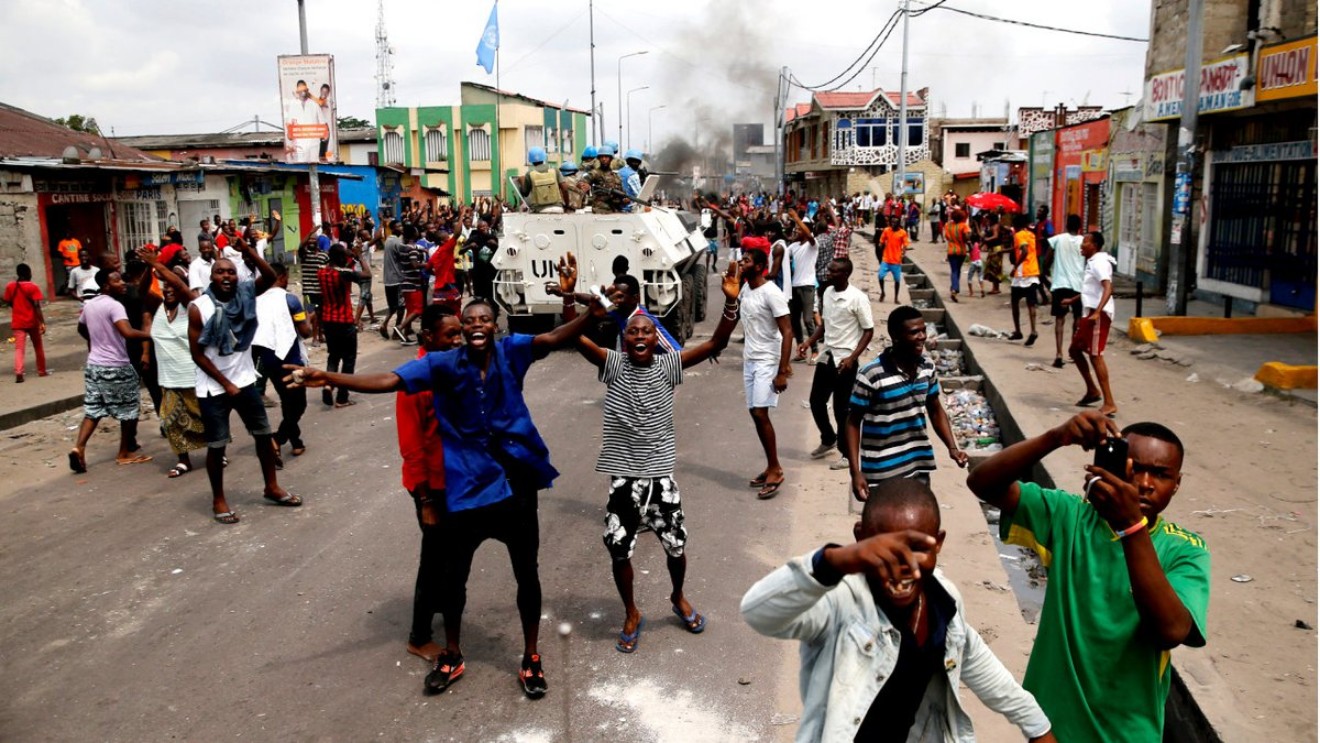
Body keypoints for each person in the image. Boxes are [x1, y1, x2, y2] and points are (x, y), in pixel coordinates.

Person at [284, 262, 607, 699]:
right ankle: (452, 653)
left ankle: (531, 657)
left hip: (515, 485)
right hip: (467, 486)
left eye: (483, 321)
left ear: (495, 326)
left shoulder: (513, 350)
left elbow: (553, 337)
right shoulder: (439, 364)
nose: (475, 327)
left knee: (526, 574)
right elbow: (388, 380)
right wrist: (329, 376)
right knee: (455, 579)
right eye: (468, 321)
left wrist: (590, 311)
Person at [741, 478, 1056, 743]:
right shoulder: (841, 603)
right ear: (860, 539)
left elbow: (976, 660)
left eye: (918, 548)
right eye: (887, 547)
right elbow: (758, 612)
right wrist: (834, 561)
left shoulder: (943, 600)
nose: (903, 564)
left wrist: (1037, 725)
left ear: (938, 544)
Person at [966, 411, 1209, 742]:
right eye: (1134, 468)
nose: (1145, 484)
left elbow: (1171, 631)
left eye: (1160, 475)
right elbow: (983, 483)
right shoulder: (1070, 517)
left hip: (1127, 731)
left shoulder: (1185, 550)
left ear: (1177, 484)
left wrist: (1131, 527)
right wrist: (1055, 437)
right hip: (1051, 726)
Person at [573, 260, 743, 654]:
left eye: (646, 331)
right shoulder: (613, 365)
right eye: (632, 330)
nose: (638, 336)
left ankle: (677, 596)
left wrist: (730, 304)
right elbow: (581, 343)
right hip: (624, 479)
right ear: (624, 337)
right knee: (620, 549)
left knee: (676, 547)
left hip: (661, 478)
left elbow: (715, 345)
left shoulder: (669, 366)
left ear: (655, 338)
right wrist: (572, 305)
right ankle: (631, 611)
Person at [188, 235, 299, 524]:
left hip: (246, 381)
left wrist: (248, 250)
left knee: (263, 436)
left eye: (231, 271)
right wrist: (226, 384)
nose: (226, 276)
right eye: (220, 272)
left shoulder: (246, 295)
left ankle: (271, 486)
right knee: (217, 446)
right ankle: (218, 499)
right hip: (214, 388)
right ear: (211, 276)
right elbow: (198, 355)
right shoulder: (199, 307)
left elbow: (271, 276)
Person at [398, 304, 465, 663]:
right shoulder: (415, 378)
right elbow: (411, 446)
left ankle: (443, 605)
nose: (458, 341)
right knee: (435, 559)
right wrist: (425, 500)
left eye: (460, 334)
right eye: (450, 335)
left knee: (451, 554)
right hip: (431, 486)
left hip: (455, 480)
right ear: (427, 337)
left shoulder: (452, 367)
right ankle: (419, 635)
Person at [845, 306, 967, 500]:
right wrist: (855, 472)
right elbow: (852, 423)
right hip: (882, 472)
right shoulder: (871, 374)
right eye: (914, 332)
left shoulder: (927, 367)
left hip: (919, 466)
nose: (922, 337)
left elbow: (935, 410)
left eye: (923, 330)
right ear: (896, 336)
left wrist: (952, 448)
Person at [68, 268, 155, 473]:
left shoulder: (90, 306)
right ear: (106, 286)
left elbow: (81, 329)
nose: (122, 283)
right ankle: (124, 452)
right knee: (129, 409)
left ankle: (78, 447)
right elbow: (126, 331)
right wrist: (151, 336)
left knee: (93, 409)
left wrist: (95, 341)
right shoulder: (115, 306)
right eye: (117, 281)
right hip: (116, 364)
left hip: (95, 365)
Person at [138, 246, 207, 478]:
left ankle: (216, 452)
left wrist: (159, 265)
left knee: (204, 418)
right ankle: (183, 460)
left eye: (172, 286)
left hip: (192, 375)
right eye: (164, 286)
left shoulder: (191, 306)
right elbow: (141, 292)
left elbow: (180, 287)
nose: (168, 290)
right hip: (168, 378)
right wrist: (149, 268)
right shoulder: (157, 308)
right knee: (171, 421)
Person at [799, 257, 874, 470]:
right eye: (829, 270)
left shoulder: (857, 298)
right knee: (816, 401)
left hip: (846, 361)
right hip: (827, 355)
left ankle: (847, 453)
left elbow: (868, 331)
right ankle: (828, 438)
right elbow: (824, 325)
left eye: (833, 272)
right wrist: (809, 342)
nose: (828, 274)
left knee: (842, 410)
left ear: (844, 274)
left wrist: (852, 358)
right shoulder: (828, 293)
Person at [739, 248, 793, 500]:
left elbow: (788, 331)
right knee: (755, 412)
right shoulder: (745, 289)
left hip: (767, 360)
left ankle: (776, 469)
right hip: (750, 359)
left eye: (747, 260)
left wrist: (782, 370)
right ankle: (771, 464)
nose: (741, 262)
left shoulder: (772, 293)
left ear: (759, 266)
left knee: (761, 412)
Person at [254, 262, 312, 461]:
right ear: (283, 277)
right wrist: (309, 320)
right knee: (299, 405)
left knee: (288, 402)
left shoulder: (257, 300)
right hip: (292, 360)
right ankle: (276, 440)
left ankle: (296, 442)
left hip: (269, 361)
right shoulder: (291, 300)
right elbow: (305, 331)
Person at [1067, 231, 1119, 418]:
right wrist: (1073, 299)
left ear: (1095, 246)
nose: (1082, 245)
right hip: (1088, 312)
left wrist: (1097, 312)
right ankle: (1092, 389)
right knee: (1074, 350)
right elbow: (1091, 289)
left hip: (1097, 315)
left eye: (1086, 242)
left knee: (1096, 356)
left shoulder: (1099, 263)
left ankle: (1110, 402)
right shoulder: (1092, 262)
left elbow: (1107, 287)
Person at [319, 244, 370, 407]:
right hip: (344, 321)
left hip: (328, 320)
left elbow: (344, 271)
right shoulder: (344, 274)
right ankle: (342, 397)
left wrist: (350, 258)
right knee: (348, 360)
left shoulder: (322, 271)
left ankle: (328, 384)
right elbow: (367, 275)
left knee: (333, 356)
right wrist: (359, 256)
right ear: (341, 257)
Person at [1047, 214, 1086, 370]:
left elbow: (1048, 258)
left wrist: (1045, 272)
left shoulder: (1057, 239)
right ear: (1079, 226)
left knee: (1059, 319)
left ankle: (1058, 353)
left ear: (1066, 224)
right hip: (1078, 284)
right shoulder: (1084, 241)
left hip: (1060, 283)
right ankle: (1072, 350)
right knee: (1077, 318)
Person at [785, 210, 819, 361]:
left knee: (807, 319)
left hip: (807, 286)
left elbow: (809, 235)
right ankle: (800, 348)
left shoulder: (812, 245)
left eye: (799, 229)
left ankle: (815, 349)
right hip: (795, 286)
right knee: (794, 320)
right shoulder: (793, 247)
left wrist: (797, 219)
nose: (796, 231)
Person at [4, 263, 46, 382]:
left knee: (19, 348)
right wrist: (42, 322)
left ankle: (19, 372)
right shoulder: (33, 287)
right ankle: (41, 370)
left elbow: (8, 301)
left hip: (18, 321)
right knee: (38, 347)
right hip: (32, 321)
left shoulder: (10, 286)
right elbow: (37, 306)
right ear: (28, 273)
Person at [1008, 213, 1041, 346]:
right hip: (1033, 272)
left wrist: (1015, 266)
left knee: (1014, 302)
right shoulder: (1031, 234)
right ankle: (1033, 330)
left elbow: (1024, 251)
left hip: (1022, 273)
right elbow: (1021, 248)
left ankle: (1018, 331)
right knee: (1031, 304)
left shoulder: (1019, 235)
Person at [581, 144, 627, 213]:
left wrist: (624, 200)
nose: (604, 159)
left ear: (611, 159)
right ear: (599, 159)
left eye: (606, 157)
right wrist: (584, 185)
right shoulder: (595, 173)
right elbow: (583, 181)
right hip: (601, 211)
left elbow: (622, 195)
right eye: (601, 157)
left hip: (615, 211)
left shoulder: (616, 176)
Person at [518, 147, 565, 213]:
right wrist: (567, 205)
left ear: (531, 160)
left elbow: (525, 193)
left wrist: (522, 182)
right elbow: (564, 188)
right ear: (544, 157)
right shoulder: (554, 170)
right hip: (558, 208)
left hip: (539, 210)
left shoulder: (530, 174)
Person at [874, 215, 909, 304]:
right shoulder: (887, 230)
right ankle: (882, 292)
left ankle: (896, 298)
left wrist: (903, 253)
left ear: (898, 223)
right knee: (880, 276)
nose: (893, 223)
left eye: (895, 222)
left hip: (896, 261)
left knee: (897, 280)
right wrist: (880, 245)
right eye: (892, 222)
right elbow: (881, 240)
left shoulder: (903, 233)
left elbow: (905, 244)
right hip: (886, 259)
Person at [943, 208, 971, 303]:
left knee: (954, 270)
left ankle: (954, 288)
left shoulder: (948, 225)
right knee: (958, 270)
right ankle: (955, 288)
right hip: (962, 252)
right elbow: (967, 238)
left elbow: (946, 237)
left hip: (951, 251)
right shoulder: (964, 226)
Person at [56, 230, 82, 294]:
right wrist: (67, 258)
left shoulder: (76, 241)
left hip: (77, 263)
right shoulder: (62, 243)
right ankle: (71, 292)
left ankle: (78, 292)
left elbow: (80, 251)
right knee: (70, 279)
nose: (68, 235)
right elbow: (59, 253)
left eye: (69, 233)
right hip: (68, 264)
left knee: (78, 278)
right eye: (67, 234)